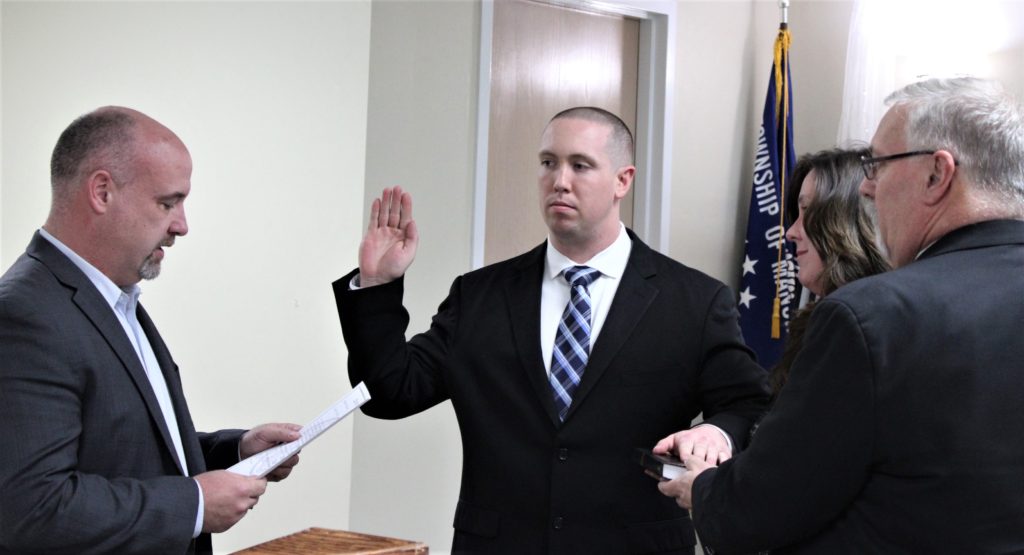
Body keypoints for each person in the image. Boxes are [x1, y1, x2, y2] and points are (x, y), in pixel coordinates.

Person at [333, 106, 769, 553]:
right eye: (548, 163)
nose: (559, 180)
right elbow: (390, 393)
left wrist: (716, 433)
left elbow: (749, 404)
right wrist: (376, 285)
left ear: (622, 180)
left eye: (580, 165)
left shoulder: (693, 301)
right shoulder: (480, 295)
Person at [656, 77, 1024, 553]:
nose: (867, 187)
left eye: (878, 164)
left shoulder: (871, 316)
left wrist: (704, 488)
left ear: (937, 174)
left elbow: (760, 510)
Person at [0, 107, 302, 555]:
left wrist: (235, 452)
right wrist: (193, 504)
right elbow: (33, 509)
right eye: (167, 203)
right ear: (102, 192)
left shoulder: (112, 298)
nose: (182, 225)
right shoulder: (25, 315)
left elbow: (122, 449)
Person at [767, 147, 890, 395]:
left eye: (807, 211)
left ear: (844, 222)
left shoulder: (862, 328)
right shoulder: (823, 321)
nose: (790, 233)